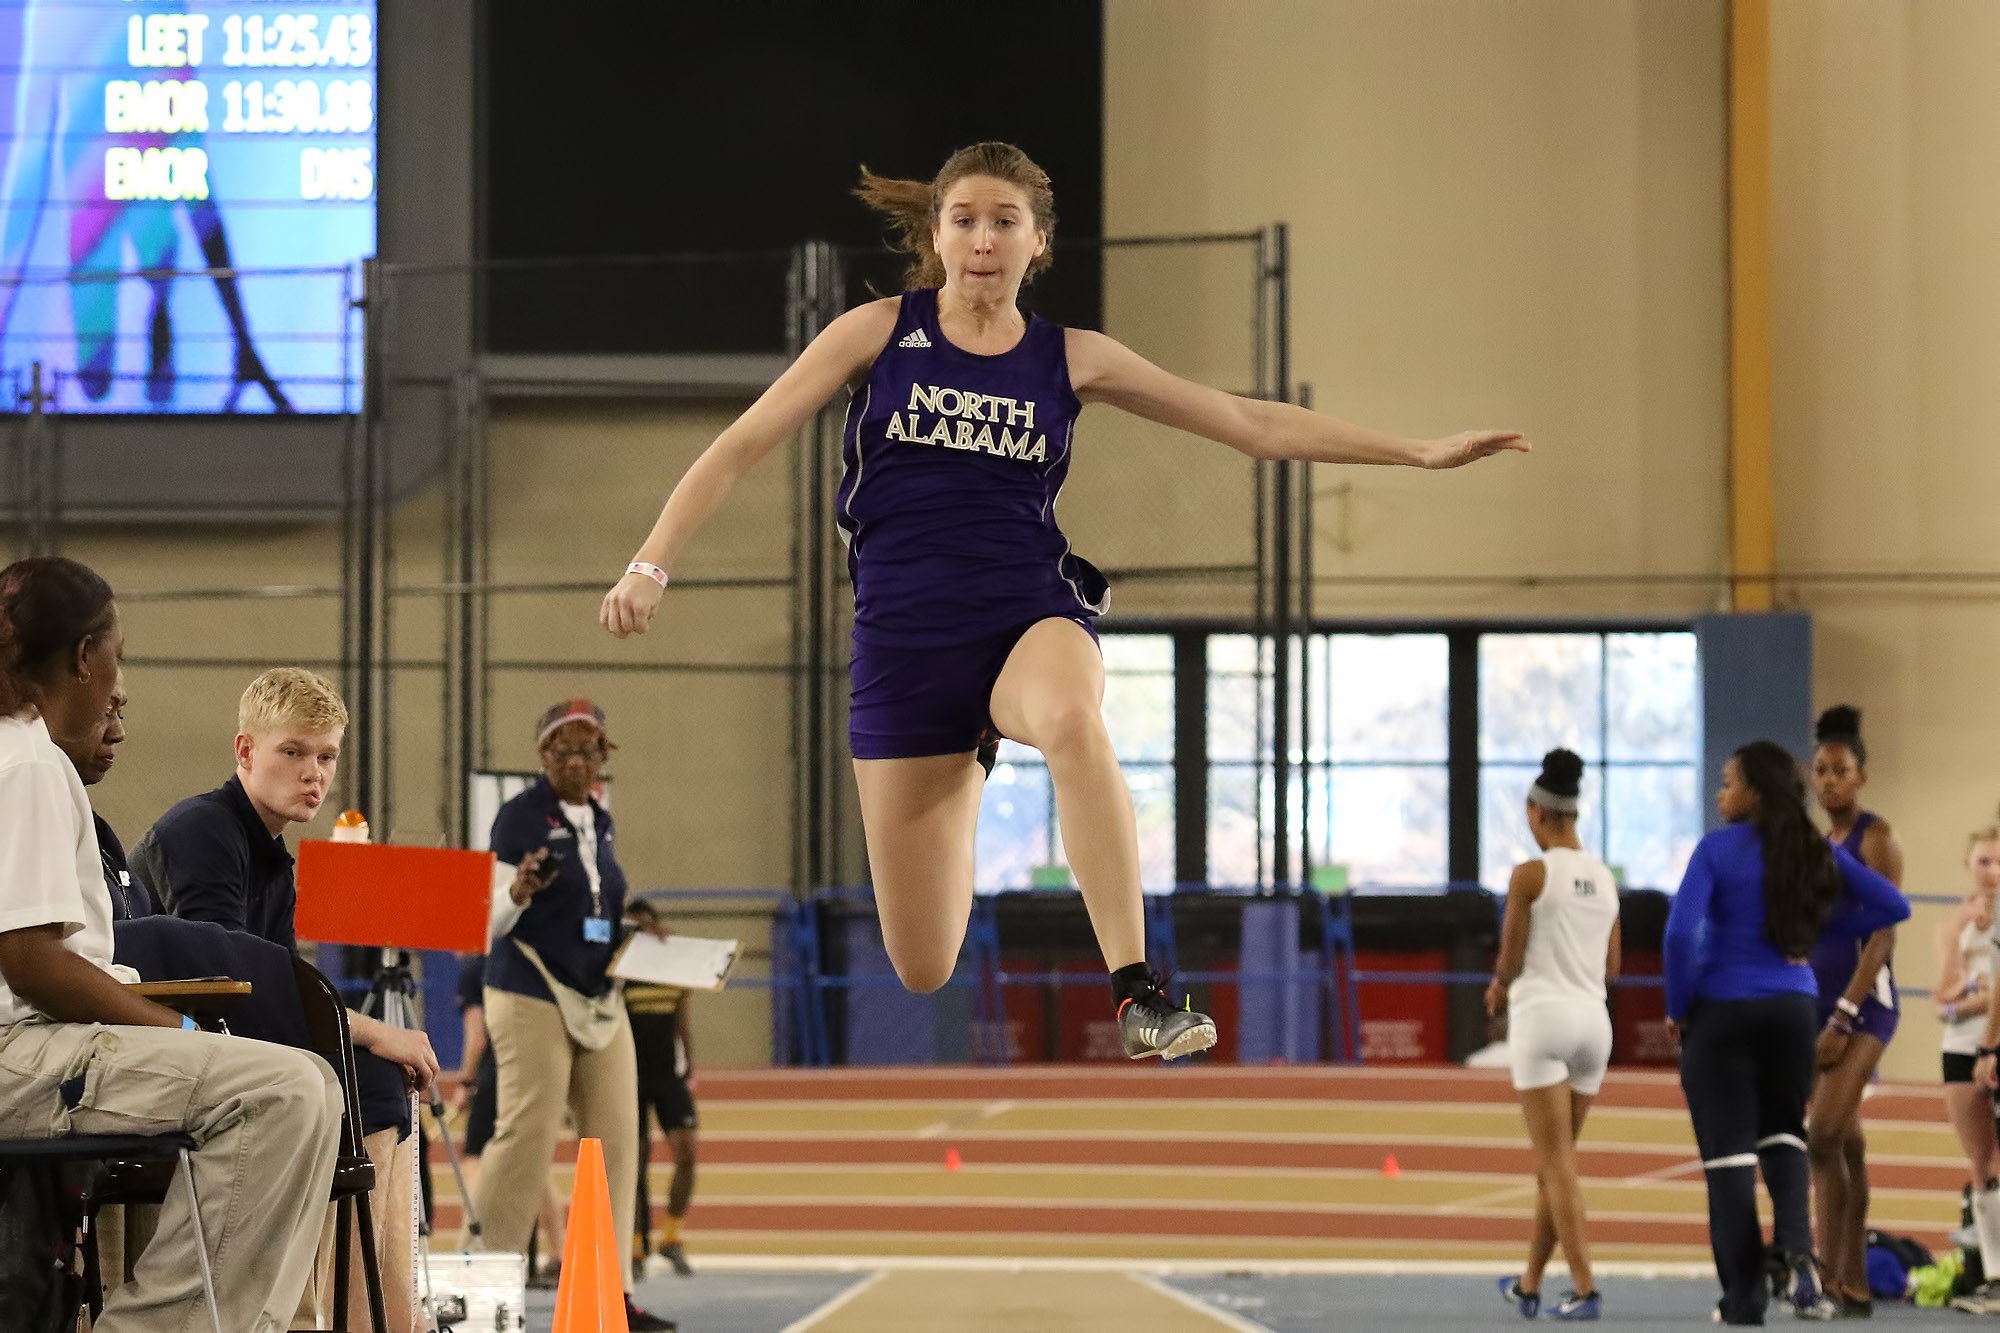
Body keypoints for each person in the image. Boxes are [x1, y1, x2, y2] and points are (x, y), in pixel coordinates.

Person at [599, 141, 1528, 1059]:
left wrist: (1416, 452)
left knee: (1074, 719)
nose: (984, 240)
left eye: (1006, 222)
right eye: (965, 220)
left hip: (1026, 614)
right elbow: (739, 444)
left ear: (1038, 242)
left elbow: (1248, 421)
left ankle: (1140, 991)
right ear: (937, 233)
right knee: (923, 962)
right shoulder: (876, 333)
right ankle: (973, 752)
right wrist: (651, 563)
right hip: (904, 648)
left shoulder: (1069, 357)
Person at [0, 555, 342, 1329]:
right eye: (115, 655)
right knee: (283, 1091)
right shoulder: (26, 763)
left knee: (310, 1084)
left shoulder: (25, 756)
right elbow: (34, 963)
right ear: (86, 656)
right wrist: (178, 1028)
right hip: (18, 1050)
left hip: (37, 1040)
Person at [130, 667, 440, 1333]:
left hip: (219, 1047)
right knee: (367, 1072)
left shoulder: (269, 859)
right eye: (293, 752)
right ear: (245, 752)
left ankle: (383, 1316)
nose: (314, 774)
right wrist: (371, 1029)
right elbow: (227, 989)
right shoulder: (203, 833)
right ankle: (344, 1316)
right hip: (160, 1055)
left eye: (326, 755)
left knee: (380, 1081)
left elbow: (272, 990)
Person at [1666, 741, 1909, 1326]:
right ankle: (1799, 1258)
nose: (1720, 793)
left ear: (1754, 792)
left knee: (1728, 1164)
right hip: (1792, 1011)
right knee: (1785, 1139)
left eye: (1727, 782)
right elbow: (1892, 905)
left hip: (1722, 1012)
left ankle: (1745, 1300)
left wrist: (1680, 1006)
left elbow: (1678, 936)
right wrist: (1822, 926)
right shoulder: (1810, 848)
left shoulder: (1717, 850)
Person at [469, 699, 675, 1332]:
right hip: (530, 988)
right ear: (543, 758)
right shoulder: (518, 819)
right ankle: (482, 1294)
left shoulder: (601, 821)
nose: (580, 763)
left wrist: (635, 934)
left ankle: (611, 1294)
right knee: (526, 1136)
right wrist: (517, 891)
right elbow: (486, 921)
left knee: (618, 1140)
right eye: (566, 752)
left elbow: (599, 904)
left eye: (591, 751)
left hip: (598, 993)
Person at [1486, 749, 1619, 1322]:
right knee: (1556, 1164)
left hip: (1543, 1020)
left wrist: (1495, 991)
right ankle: (1530, 1283)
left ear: (1538, 812)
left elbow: (1511, 958)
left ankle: (1585, 1287)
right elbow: (1613, 968)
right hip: (1595, 1022)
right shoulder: (1606, 877)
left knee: (1557, 1163)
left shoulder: (1529, 874)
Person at [1805, 704, 1902, 1316]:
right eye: (1820, 771)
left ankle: (1831, 1272)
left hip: (1865, 1008)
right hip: (1817, 1003)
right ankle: (1855, 1284)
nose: (1828, 780)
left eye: (1839, 770)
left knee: (1822, 1137)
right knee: (1847, 1148)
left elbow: (1885, 934)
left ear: (1861, 776)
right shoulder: (1819, 846)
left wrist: (1843, 1015)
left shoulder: (1876, 836)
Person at [1936, 826, 2000, 1305]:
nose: (1992, 872)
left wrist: (1970, 1001)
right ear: (1968, 865)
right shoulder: (1952, 926)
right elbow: (1943, 997)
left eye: (1999, 862)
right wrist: (1958, 934)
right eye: (1983, 862)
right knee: (1980, 1164)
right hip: (1959, 1049)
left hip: (1993, 1047)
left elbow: (1975, 996)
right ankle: (1992, 1276)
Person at [625, 897, 699, 1280]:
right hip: (629, 1078)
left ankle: (671, 1237)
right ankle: (636, 1244)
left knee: (686, 1152)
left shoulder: (672, 973)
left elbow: (683, 1022)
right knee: (634, 1163)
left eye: (645, 925)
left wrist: (691, 1066)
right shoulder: (618, 971)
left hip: (668, 1076)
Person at [45, 662, 150, 919]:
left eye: (120, 714)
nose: (118, 733)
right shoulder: (29, 819)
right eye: (105, 711)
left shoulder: (99, 833)